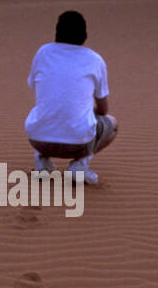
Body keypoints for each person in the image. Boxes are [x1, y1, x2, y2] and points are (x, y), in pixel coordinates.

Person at [25, 10, 118, 185]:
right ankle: (80, 165)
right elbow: (104, 109)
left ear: (57, 33)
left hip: (37, 140)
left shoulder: (43, 53)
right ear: (84, 36)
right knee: (112, 124)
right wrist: (87, 112)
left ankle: (42, 162)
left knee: (45, 113)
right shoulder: (95, 60)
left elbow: (34, 86)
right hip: (79, 143)